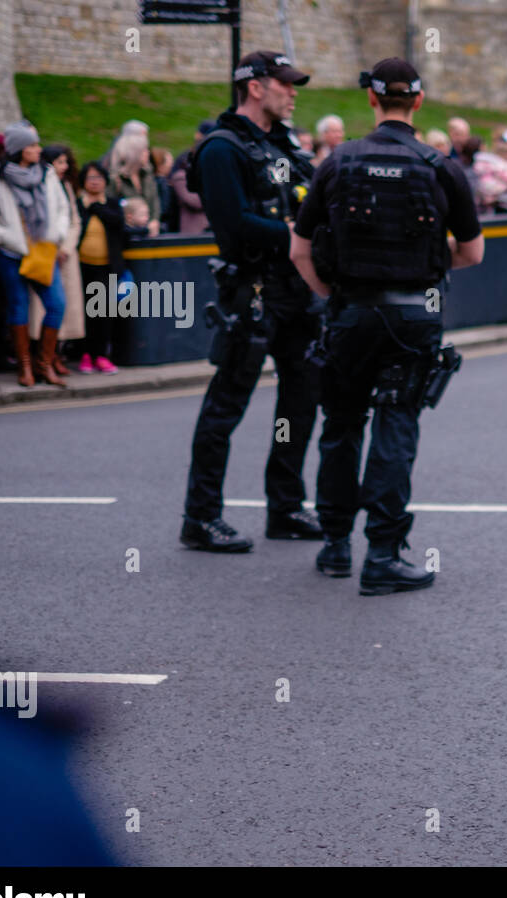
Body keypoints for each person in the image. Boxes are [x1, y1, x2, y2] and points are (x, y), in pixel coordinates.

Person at [290, 56, 483, 594]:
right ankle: (382, 554)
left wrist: (334, 293)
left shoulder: (336, 161)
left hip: (350, 313)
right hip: (414, 316)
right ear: (418, 101)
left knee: (340, 425)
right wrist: (425, 264)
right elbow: (472, 252)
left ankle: (334, 545)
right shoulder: (441, 167)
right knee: (396, 426)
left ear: (371, 99)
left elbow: (299, 250)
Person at [180, 50, 323, 552]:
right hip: (252, 291)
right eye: (286, 84)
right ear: (256, 87)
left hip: (296, 290)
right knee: (226, 405)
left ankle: (285, 507)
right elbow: (234, 224)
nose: (293, 93)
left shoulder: (283, 144)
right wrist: (297, 235)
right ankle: (200, 517)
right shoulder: (221, 148)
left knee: (300, 401)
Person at [0, 120, 70, 388]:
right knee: (18, 307)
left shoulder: (47, 175)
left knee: (56, 304)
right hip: (12, 253)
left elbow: (62, 208)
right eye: (32, 145)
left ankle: (44, 364)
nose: (38, 149)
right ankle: (25, 367)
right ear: (19, 149)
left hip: (43, 250)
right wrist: (5, 238)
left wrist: (57, 234)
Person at [26, 145, 84, 377]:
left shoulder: (66, 186)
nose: (64, 167)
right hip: (44, 253)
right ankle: (42, 357)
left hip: (65, 255)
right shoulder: (39, 184)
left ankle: (54, 354)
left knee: (64, 307)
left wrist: (66, 247)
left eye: (65, 162)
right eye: (59, 162)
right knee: (45, 308)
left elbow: (74, 220)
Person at [73, 161, 125, 374]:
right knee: (84, 311)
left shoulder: (112, 204)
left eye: (99, 178)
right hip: (82, 266)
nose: (94, 182)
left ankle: (101, 355)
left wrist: (96, 207)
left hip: (106, 266)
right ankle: (85, 353)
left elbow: (118, 223)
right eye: (90, 178)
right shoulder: (77, 204)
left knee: (104, 312)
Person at [106, 132, 160, 237]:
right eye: (144, 150)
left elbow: (155, 202)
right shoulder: (115, 180)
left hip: (150, 235)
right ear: (133, 153)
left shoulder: (147, 175)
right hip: (126, 236)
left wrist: (154, 221)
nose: (148, 153)